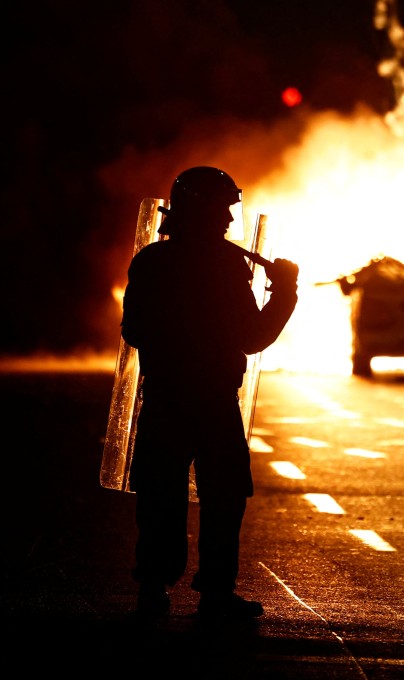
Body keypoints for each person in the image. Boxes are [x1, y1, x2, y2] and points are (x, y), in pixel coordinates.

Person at [121, 166, 299, 621]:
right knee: (223, 495)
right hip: (212, 399)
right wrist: (284, 292)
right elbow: (252, 337)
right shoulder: (222, 265)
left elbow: (135, 331)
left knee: (161, 493)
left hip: (164, 397)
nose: (227, 219)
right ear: (201, 209)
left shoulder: (150, 262)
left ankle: (153, 587)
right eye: (220, 208)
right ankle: (216, 593)